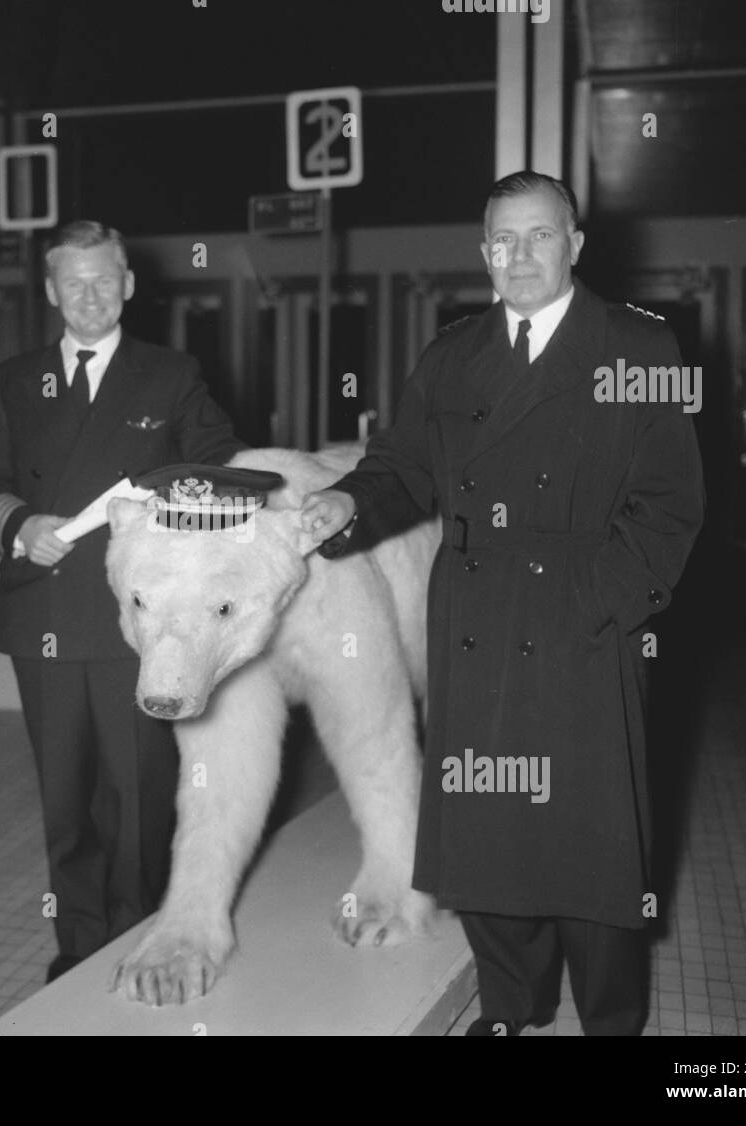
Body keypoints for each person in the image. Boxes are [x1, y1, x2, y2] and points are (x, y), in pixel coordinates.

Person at [301, 171, 704, 1035]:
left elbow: (670, 504)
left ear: (575, 245)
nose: (519, 256)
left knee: (590, 853)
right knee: (490, 842)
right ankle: (512, 1008)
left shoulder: (637, 350)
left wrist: (595, 603)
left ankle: (610, 1019)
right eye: (502, 240)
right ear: (484, 251)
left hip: (585, 632)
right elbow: (402, 467)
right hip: (478, 627)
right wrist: (345, 504)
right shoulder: (452, 353)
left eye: (539, 236)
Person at [0, 220, 245, 983]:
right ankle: (79, 944)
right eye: (72, 283)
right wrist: (22, 524)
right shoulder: (14, 380)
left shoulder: (170, 373)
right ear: (52, 291)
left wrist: (172, 509)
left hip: (140, 626)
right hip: (44, 611)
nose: (90, 296)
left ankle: (135, 934)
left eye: (103, 280)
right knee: (65, 799)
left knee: (140, 795)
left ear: (127, 284)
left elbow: (222, 467)